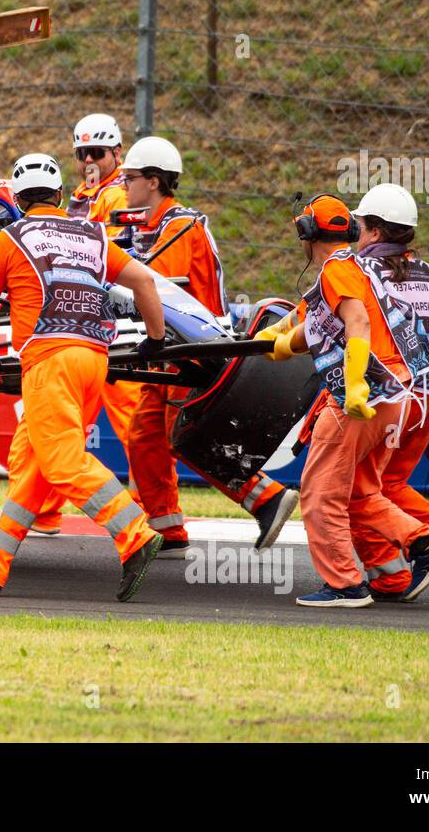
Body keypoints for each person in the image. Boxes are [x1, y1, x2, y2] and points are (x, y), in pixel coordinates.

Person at [0, 152, 170, 601]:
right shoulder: (93, 233)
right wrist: (156, 341)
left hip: (50, 362)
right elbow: (144, 281)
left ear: (17, 199)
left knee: (63, 462)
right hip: (94, 360)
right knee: (34, 462)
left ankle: (135, 535)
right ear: (62, 195)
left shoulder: (11, 238)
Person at [260, 194, 429, 607]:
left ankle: (345, 585)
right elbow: (315, 326)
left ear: (307, 234)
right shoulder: (360, 267)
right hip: (395, 397)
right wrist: (278, 343)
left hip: (361, 399)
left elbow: (358, 321)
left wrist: (353, 386)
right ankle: (424, 545)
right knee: (361, 493)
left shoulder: (336, 271)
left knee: (319, 493)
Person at [123, 136, 300, 554]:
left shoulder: (178, 225)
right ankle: (166, 529)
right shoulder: (159, 226)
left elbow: (152, 287)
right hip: (171, 349)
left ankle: (264, 496)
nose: (124, 186)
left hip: (193, 349)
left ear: (153, 181)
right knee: (145, 434)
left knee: (182, 433)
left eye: (129, 178)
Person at [345, 184, 429, 597]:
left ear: (374, 231)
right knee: (389, 486)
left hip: (393, 393)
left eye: (360, 226)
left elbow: (356, 327)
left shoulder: (365, 273)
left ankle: (393, 571)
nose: (356, 233)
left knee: (356, 489)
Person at [30, 113, 141, 535]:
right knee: (65, 422)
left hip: (116, 320)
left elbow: (118, 259)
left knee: (133, 421)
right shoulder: (78, 196)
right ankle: (43, 512)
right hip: (84, 321)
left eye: (97, 152)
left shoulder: (116, 196)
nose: (89, 160)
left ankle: (148, 511)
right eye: (82, 153)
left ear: (117, 152)